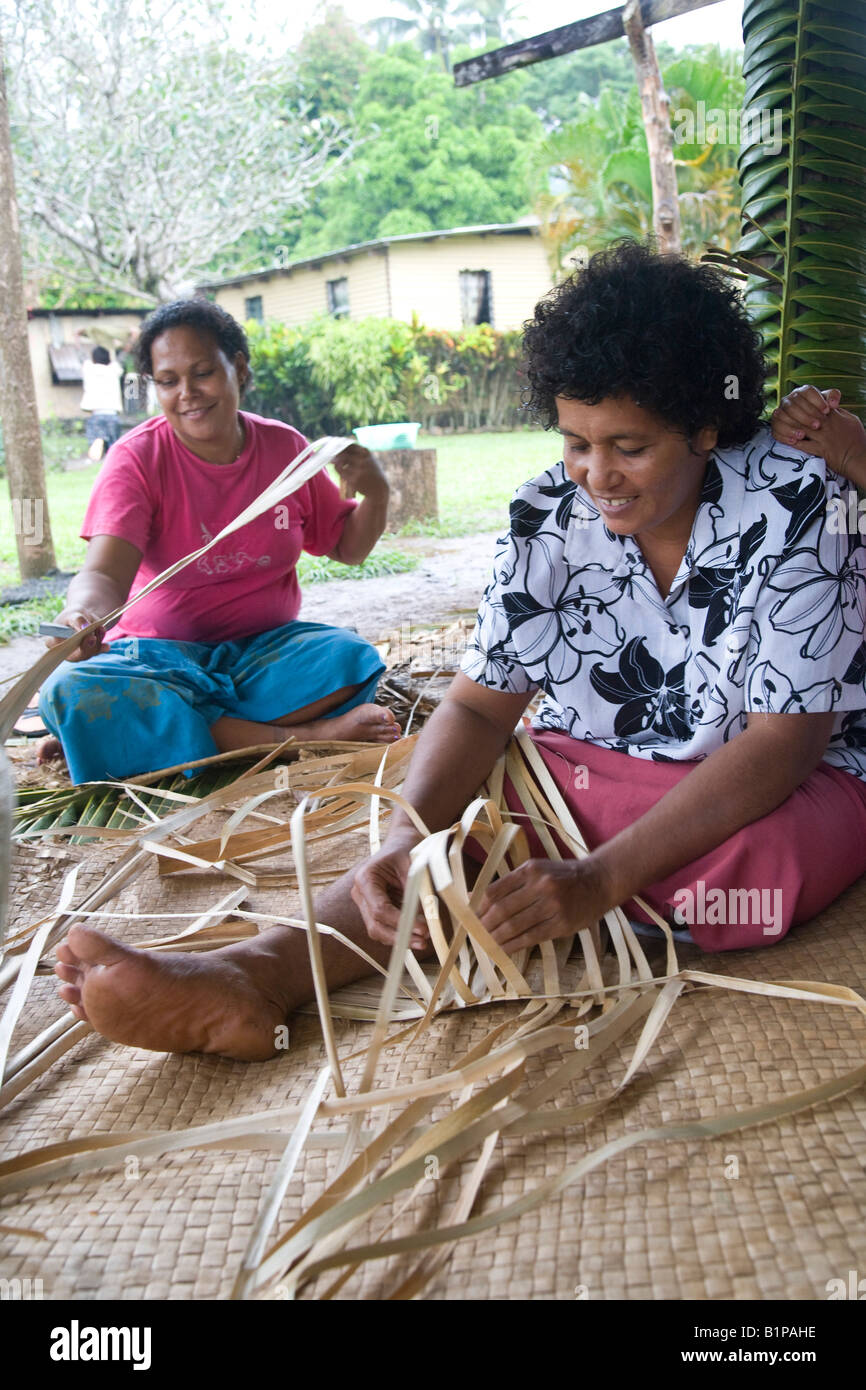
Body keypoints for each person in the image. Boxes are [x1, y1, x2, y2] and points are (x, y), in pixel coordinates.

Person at [52, 242, 866, 1062]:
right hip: (604, 773)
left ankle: (561, 903)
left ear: (705, 426)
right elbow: (479, 704)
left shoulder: (795, 501)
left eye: (630, 446)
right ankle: (254, 973)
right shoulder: (550, 512)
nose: (598, 476)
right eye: (576, 442)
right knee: (469, 822)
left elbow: (783, 743)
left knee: (762, 865)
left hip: (776, 785)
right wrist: (404, 838)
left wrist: (600, 878)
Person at [38, 299, 399, 785]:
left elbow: (347, 548)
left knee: (349, 659)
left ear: (239, 368)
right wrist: (80, 615)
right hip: (156, 659)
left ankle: (137, 734)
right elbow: (104, 573)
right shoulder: (136, 459)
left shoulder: (284, 448)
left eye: (203, 372)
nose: (187, 393)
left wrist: (376, 491)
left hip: (263, 655)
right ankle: (304, 736)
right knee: (68, 690)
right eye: (168, 381)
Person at [80, 345, 124, 461]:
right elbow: (119, 358)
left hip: (97, 415)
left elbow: (81, 354)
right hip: (113, 415)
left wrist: (77, 338)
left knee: (96, 445)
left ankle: (96, 461)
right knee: (114, 448)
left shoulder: (89, 369)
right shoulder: (114, 370)